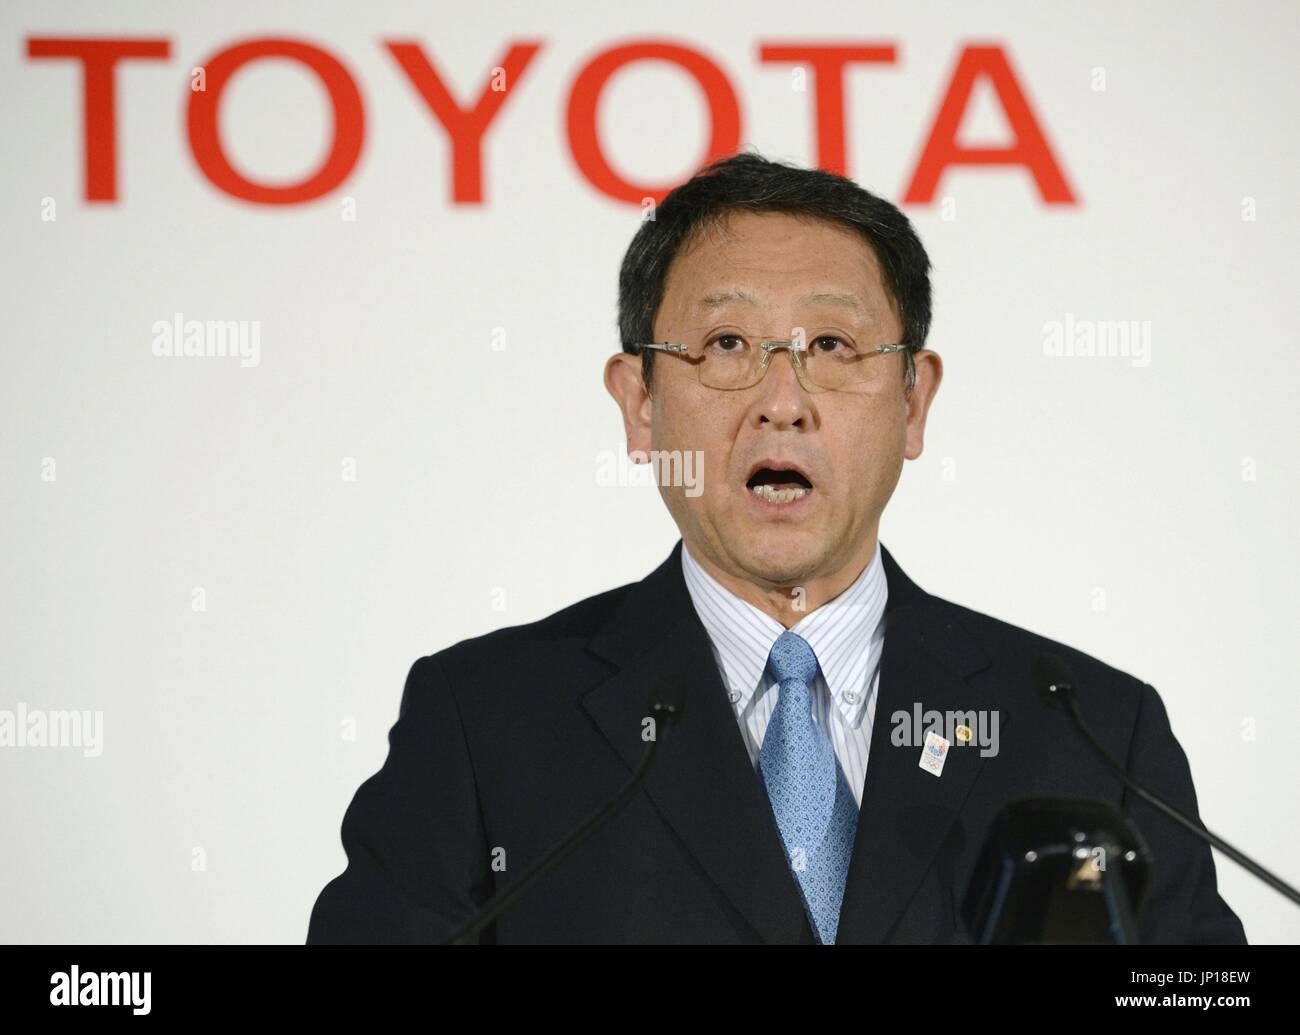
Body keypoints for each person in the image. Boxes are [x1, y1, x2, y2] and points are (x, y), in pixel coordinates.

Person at [306, 151, 1246, 944]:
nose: (782, 399)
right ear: (640, 404)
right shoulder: (487, 728)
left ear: (914, 401)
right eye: (724, 344)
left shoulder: (1087, 732)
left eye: (834, 344)